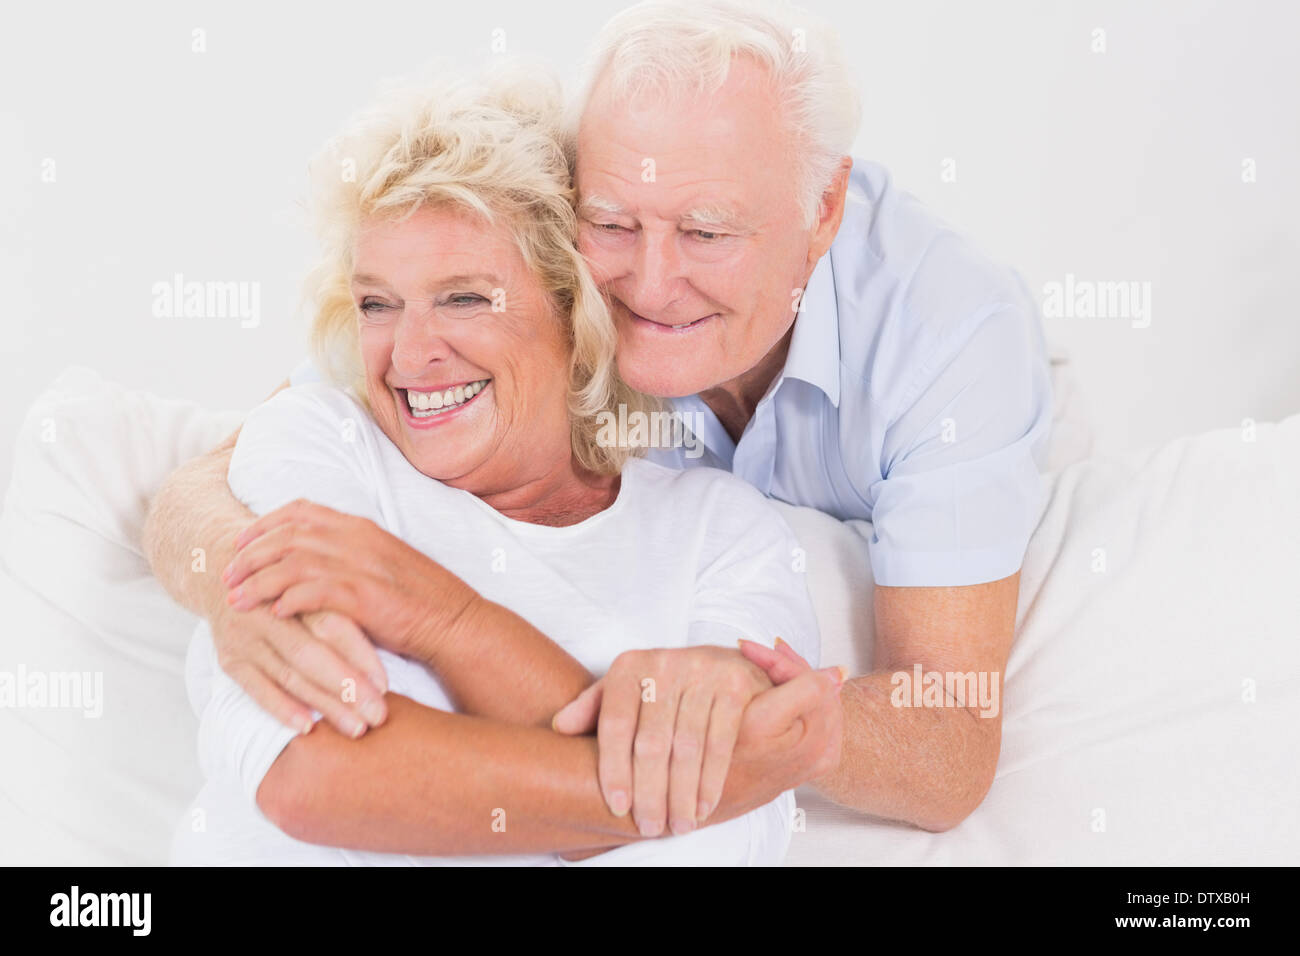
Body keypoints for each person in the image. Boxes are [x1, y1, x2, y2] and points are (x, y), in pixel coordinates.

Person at [147, 0, 1052, 838]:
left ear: (821, 212)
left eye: (706, 233)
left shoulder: (948, 333)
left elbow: (950, 742)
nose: (650, 288)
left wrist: (764, 721)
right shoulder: (540, 268)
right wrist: (241, 585)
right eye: (615, 224)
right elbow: (226, 466)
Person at [169, 70, 841, 865]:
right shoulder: (318, 442)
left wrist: (436, 615)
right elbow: (315, 774)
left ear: (576, 308)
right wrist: (684, 790)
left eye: (463, 299)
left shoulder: (722, 533)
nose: (411, 355)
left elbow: (707, 854)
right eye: (378, 304)